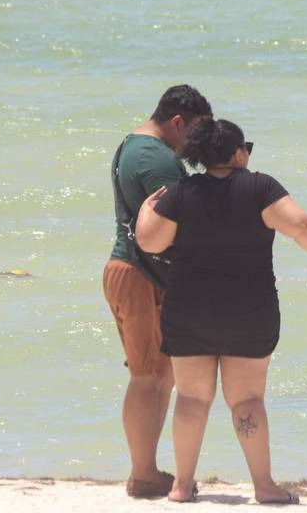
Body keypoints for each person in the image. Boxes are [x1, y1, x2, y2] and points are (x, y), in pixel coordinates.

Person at [135, 117, 307, 505]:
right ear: (238, 153)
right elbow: (301, 224)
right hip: (248, 313)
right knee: (247, 400)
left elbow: (150, 241)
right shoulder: (260, 187)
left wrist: (145, 209)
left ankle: (181, 486)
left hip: (189, 311)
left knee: (191, 398)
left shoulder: (182, 192)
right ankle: (264, 486)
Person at [103, 84, 211, 499]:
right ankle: (143, 474)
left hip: (135, 271)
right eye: (194, 133)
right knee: (148, 375)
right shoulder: (156, 157)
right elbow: (181, 222)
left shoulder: (134, 147)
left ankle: (146, 471)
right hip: (139, 274)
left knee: (158, 373)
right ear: (177, 122)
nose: (195, 146)